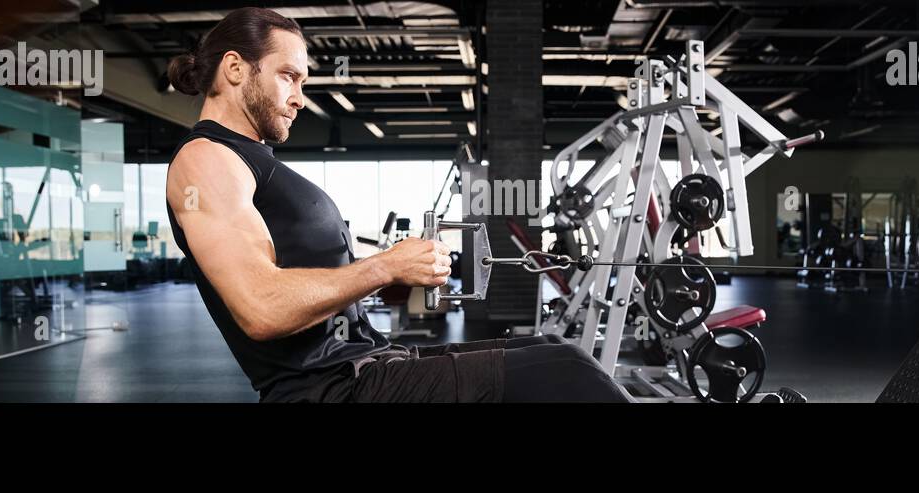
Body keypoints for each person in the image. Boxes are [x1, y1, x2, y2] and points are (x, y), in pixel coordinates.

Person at [163, 7, 630, 403]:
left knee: (557, 349)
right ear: (235, 69)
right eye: (288, 76)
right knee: (571, 376)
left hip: (364, 360)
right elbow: (261, 308)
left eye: (302, 81)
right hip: (330, 387)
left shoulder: (249, 159)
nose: (300, 99)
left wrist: (397, 263)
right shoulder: (206, 160)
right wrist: (385, 267)